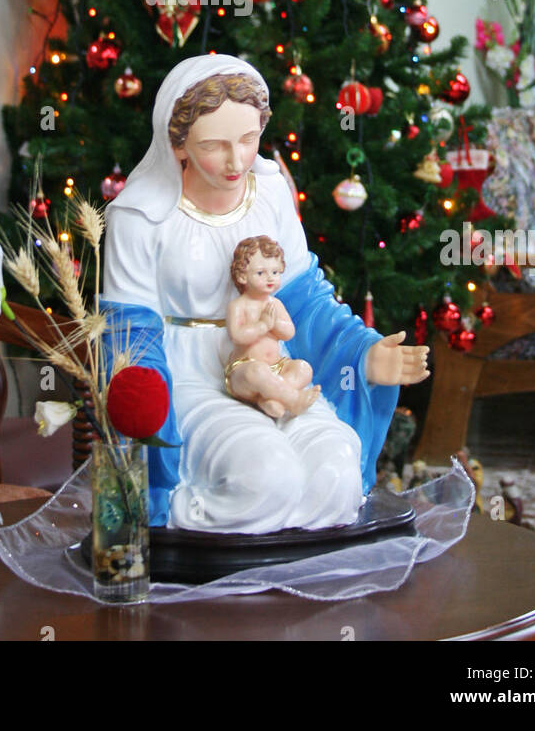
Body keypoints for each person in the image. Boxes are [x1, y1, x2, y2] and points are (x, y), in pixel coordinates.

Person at [101, 54, 429, 534]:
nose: (237, 161)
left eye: (249, 139)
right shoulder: (141, 215)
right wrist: (145, 396)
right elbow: (131, 331)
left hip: (276, 364)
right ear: (179, 144)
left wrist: (361, 353)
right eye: (215, 145)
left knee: (336, 474)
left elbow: (305, 300)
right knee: (264, 479)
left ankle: (291, 569)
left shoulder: (271, 192)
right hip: (192, 378)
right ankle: (181, 525)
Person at [224, 235, 321, 419]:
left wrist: (275, 323)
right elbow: (237, 336)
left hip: (277, 366)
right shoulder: (239, 306)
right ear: (242, 275)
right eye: (261, 273)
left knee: (303, 368)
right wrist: (262, 325)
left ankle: (271, 399)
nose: (270, 278)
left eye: (275, 272)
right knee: (257, 372)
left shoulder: (274, 304)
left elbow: (289, 332)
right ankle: (293, 399)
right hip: (245, 369)